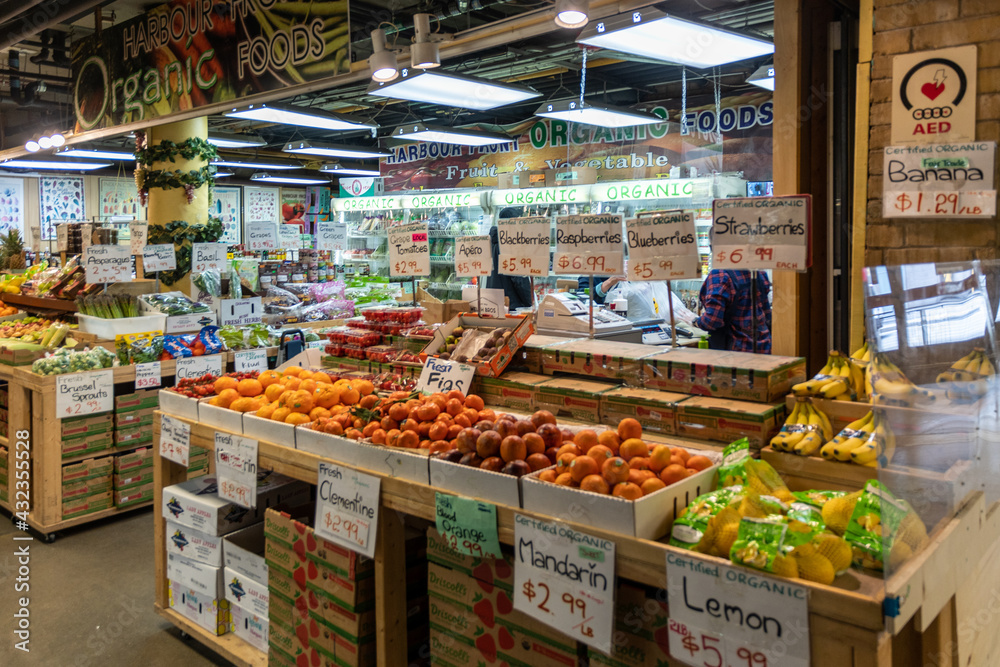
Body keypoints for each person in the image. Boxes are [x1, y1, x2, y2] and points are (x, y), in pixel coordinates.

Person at [693, 269, 772, 353]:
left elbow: (712, 320)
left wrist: (695, 321)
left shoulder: (720, 274)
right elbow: (767, 314)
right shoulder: (759, 273)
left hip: (734, 351)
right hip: (763, 346)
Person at [486, 208, 534, 310]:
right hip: (511, 304)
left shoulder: (492, 240)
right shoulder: (511, 243)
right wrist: (530, 301)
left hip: (493, 301)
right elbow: (519, 278)